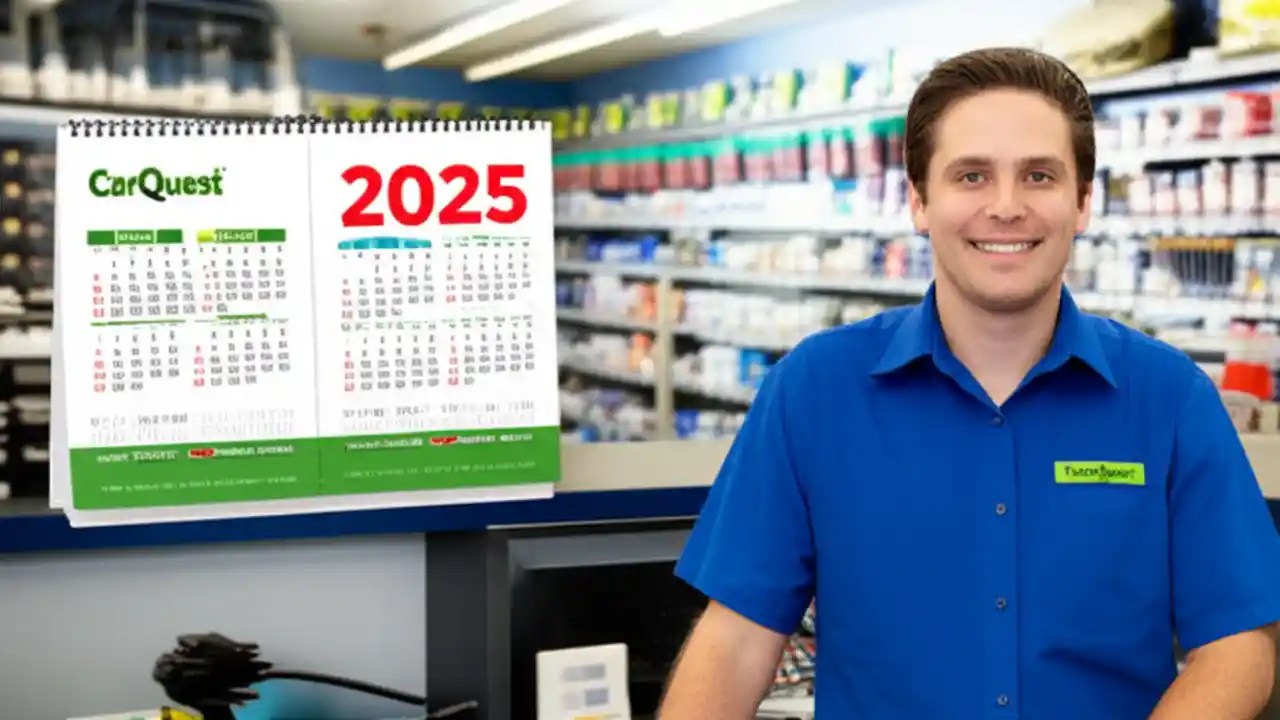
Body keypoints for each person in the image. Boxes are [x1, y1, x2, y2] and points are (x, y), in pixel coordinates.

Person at [658, 46, 1280, 719]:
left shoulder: (1170, 398)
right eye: (972, 176)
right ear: (920, 201)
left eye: (1039, 176)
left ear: (1082, 202)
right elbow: (736, 639)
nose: (1006, 207)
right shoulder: (812, 391)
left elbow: (1239, 643)